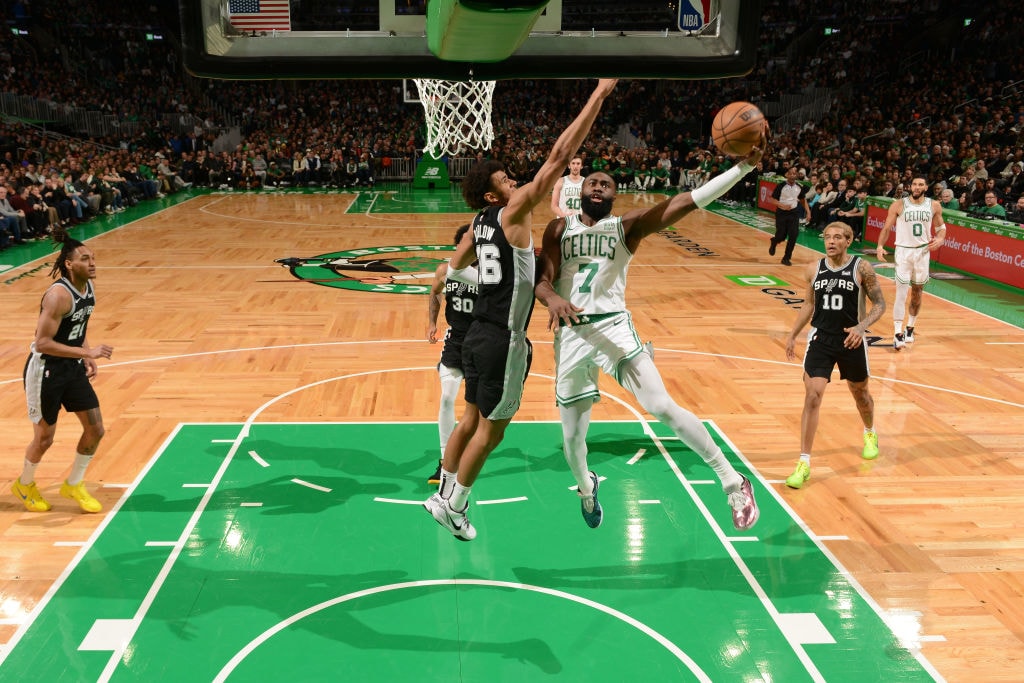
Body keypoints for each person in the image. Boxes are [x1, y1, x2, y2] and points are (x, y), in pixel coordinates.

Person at [533, 138, 767, 531]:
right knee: (573, 443)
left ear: (613, 197)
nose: (598, 188)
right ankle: (586, 487)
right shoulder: (558, 228)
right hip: (572, 336)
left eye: (606, 185)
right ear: (579, 190)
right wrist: (553, 297)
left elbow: (688, 201)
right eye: (593, 182)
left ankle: (731, 480)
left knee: (660, 406)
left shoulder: (628, 227)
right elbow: (542, 280)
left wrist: (742, 169)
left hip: (613, 326)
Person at [424, 78, 618, 542]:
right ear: (494, 196)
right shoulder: (512, 213)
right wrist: (599, 95)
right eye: (506, 180)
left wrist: (445, 278)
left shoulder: (477, 222)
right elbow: (557, 156)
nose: (516, 182)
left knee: (469, 419)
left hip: (474, 336)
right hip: (504, 339)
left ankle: (442, 492)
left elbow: (451, 267)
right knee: (492, 432)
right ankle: (456, 505)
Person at [12, 233, 114, 513]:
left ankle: (74, 483)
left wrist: (86, 350)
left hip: (71, 367)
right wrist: (87, 354)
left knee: (96, 429)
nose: (92, 263)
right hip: (46, 370)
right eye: (85, 259)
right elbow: (42, 342)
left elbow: (77, 326)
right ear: (69, 264)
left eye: (93, 258)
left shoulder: (88, 287)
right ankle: (24, 484)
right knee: (45, 439)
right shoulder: (57, 295)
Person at [783, 221, 887, 489]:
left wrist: (862, 327)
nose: (831, 241)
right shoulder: (813, 269)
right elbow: (809, 303)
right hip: (821, 339)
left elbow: (880, 304)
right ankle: (804, 462)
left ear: (848, 241)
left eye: (837, 237)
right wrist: (793, 333)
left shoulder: (861, 268)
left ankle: (869, 432)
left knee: (860, 394)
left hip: (851, 340)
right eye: (827, 237)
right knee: (813, 395)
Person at [425, 224, 477, 485]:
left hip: (482, 344)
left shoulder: (490, 275)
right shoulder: (446, 271)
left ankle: (471, 454)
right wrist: (432, 323)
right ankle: (445, 460)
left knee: (478, 410)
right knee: (447, 398)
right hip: (455, 341)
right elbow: (434, 293)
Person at [875, 175, 946, 349]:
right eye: (914, 184)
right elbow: (886, 228)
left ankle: (910, 327)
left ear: (926, 187)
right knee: (901, 292)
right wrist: (879, 246)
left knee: (917, 292)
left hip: (922, 252)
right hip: (903, 252)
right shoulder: (898, 205)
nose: (916, 187)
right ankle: (897, 332)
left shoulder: (934, 205)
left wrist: (940, 239)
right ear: (910, 186)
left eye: (920, 184)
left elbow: (941, 228)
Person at [768, 166, 810, 266]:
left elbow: (803, 200)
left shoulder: (799, 187)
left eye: (794, 173)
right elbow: (772, 199)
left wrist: (808, 212)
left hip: (793, 213)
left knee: (794, 235)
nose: (792, 175)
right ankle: (774, 242)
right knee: (781, 236)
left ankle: (786, 258)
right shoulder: (781, 186)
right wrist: (782, 205)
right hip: (781, 213)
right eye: (790, 173)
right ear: (787, 175)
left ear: (796, 175)